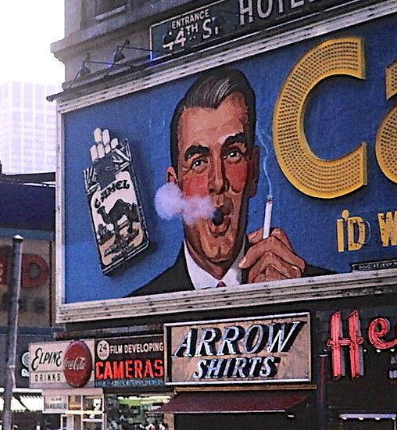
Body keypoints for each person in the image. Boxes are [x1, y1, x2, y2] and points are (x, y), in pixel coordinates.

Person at [132, 67, 324, 296]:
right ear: (176, 188)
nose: (218, 181)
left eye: (233, 154)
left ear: (253, 174)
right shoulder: (142, 306)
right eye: (198, 162)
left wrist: (296, 302)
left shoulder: (311, 287)